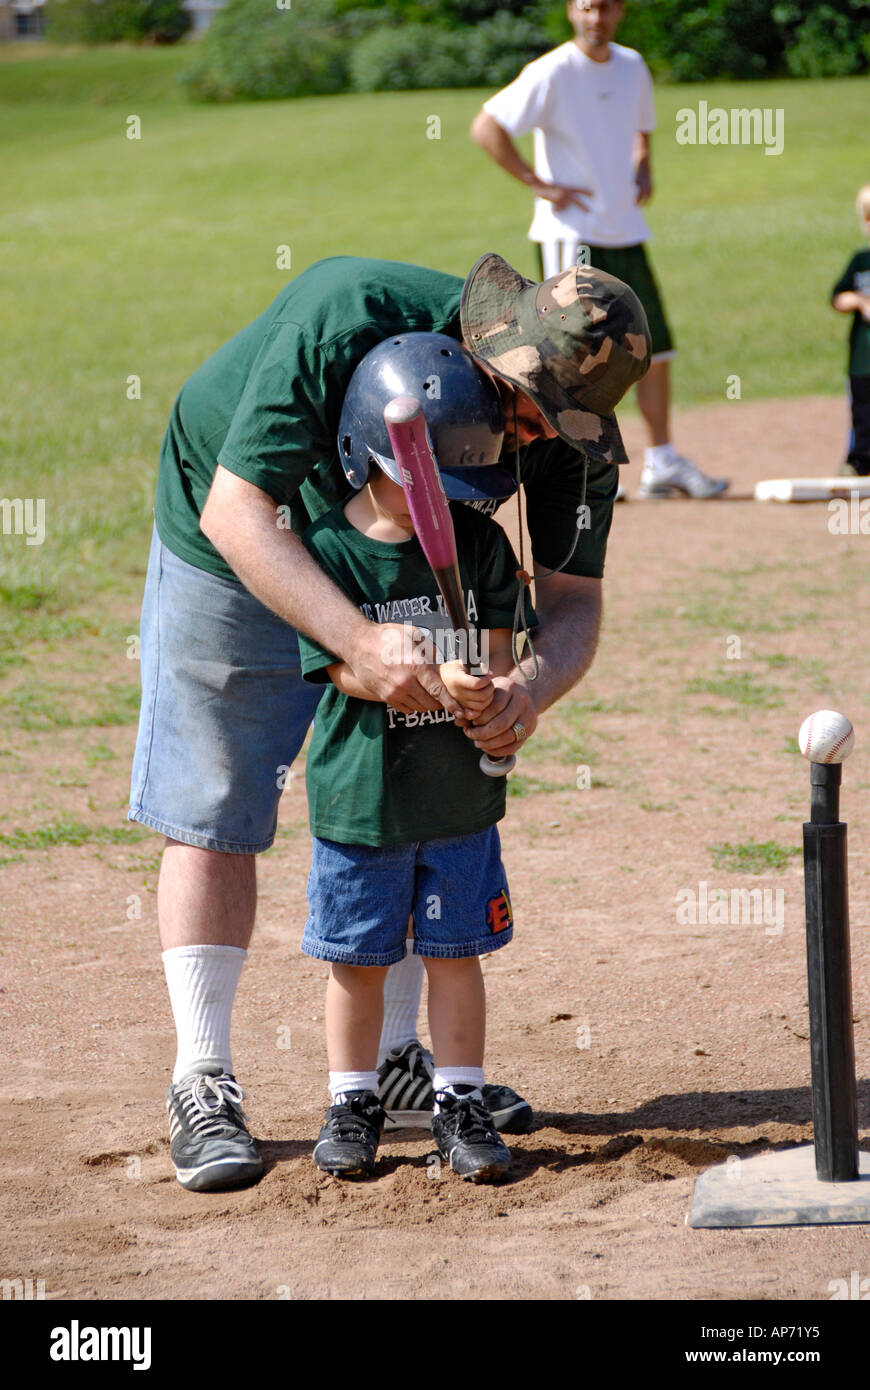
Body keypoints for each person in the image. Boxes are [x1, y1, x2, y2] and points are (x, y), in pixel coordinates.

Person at [129, 250, 650, 1191]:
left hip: (422, 534)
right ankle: (202, 1074)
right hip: (243, 521)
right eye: (521, 400)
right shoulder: (343, 315)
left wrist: (527, 686)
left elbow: (573, 604)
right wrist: (354, 642)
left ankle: (406, 1069)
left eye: (551, 421)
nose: (528, 430)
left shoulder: (565, 435)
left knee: (418, 784)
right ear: (492, 338)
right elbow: (237, 513)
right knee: (219, 798)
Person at [296, 335, 537, 1182]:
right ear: (371, 450)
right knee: (358, 963)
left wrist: (490, 691)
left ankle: (458, 1097)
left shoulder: (481, 548)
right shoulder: (328, 552)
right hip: (363, 802)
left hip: (457, 800)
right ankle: (353, 1097)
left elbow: (502, 663)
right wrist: (427, 672)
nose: (451, 500)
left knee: (454, 953)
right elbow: (341, 669)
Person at [470, 0, 728, 500]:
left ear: (621, 11)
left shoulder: (632, 66)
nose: (596, 18)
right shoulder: (551, 71)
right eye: (587, 7)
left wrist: (644, 161)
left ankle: (662, 462)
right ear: (571, 11)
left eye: (606, 7)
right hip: (573, 233)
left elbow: (641, 124)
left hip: (626, 229)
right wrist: (537, 183)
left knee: (652, 349)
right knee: (569, 357)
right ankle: (580, 469)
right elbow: (487, 127)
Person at [831, 183, 870, 477]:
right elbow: (837, 297)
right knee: (863, 413)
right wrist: (859, 301)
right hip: (863, 360)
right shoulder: (860, 262)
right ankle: (859, 463)